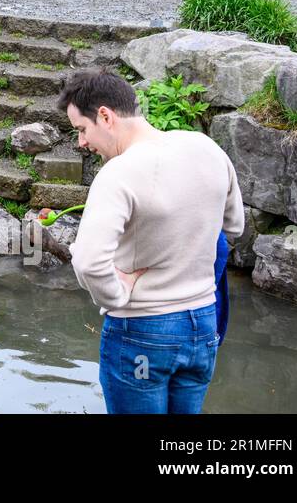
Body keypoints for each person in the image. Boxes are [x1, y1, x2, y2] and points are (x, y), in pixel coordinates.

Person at [58, 69, 244, 414]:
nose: (82, 142)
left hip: (143, 332)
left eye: (82, 130)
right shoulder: (207, 148)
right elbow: (233, 226)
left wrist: (118, 294)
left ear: (105, 116)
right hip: (202, 329)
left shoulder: (118, 173)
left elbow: (87, 261)